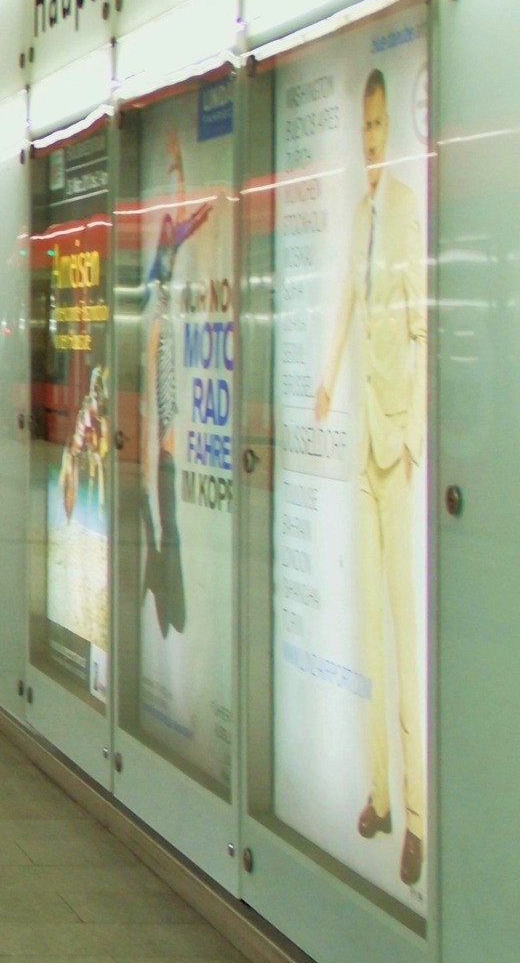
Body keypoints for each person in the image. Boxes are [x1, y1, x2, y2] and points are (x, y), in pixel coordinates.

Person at [312, 67, 428, 887]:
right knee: (366, 636)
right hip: (360, 447)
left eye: (382, 126)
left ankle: (418, 814)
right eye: (366, 128)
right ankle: (381, 796)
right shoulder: (358, 215)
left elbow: (423, 327)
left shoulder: (411, 213)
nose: (373, 140)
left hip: (397, 445)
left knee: (403, 630)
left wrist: (411, 433)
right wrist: (323, 382)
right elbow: (346, 310)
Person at [141, 128, 214, 637]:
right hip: (161, 442)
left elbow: (184, 219)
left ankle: (169, 605)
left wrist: (178, 167)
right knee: (168, 527)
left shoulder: (163, 276)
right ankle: (170, 605)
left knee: (169, 526)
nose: (172, 226)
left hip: (164, 442)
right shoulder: (158, 295)